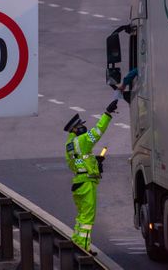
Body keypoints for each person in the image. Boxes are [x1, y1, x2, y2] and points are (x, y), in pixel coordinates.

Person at [63, 99, 118, 254]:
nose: (83, 127)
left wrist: (95, 161)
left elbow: (79, 161)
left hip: (78, 182)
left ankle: (77, 241)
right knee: (88, 218)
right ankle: (84, 249)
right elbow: (98, 131)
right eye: (80, 125)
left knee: (82, 216)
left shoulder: (70, 143)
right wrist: (107, 114)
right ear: (75, 128)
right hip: (86, 183)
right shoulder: (83, 140)